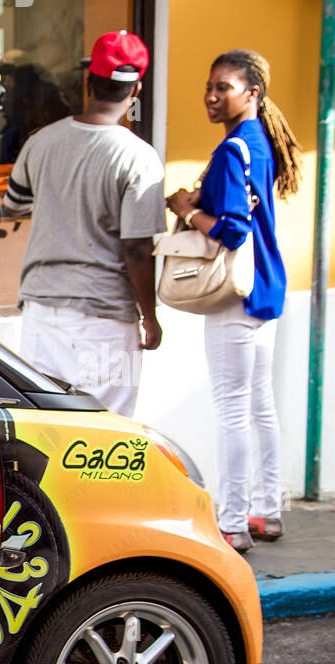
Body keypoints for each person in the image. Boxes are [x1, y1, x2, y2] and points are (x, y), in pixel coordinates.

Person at [166, 50, 301, 552]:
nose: (212, 95)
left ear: (253, 93)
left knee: (232, 410)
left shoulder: (230, 152)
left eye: (224, 87)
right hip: (264, 290)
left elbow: (232, 230)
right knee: (260, 406)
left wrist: (186, 208)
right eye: (209, 85)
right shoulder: (258, 142)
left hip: (233, 295)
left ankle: (232, 523)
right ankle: (266, 512)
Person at [3, 31, 165, 417]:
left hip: (42, 312)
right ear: (136, 89)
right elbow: (138, 248)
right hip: (105, 319)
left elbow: (13, 206)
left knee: (47, 430)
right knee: (108, 438)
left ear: (88, 81)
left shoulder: (40, 142)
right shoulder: (139, 158)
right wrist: (150, 314)